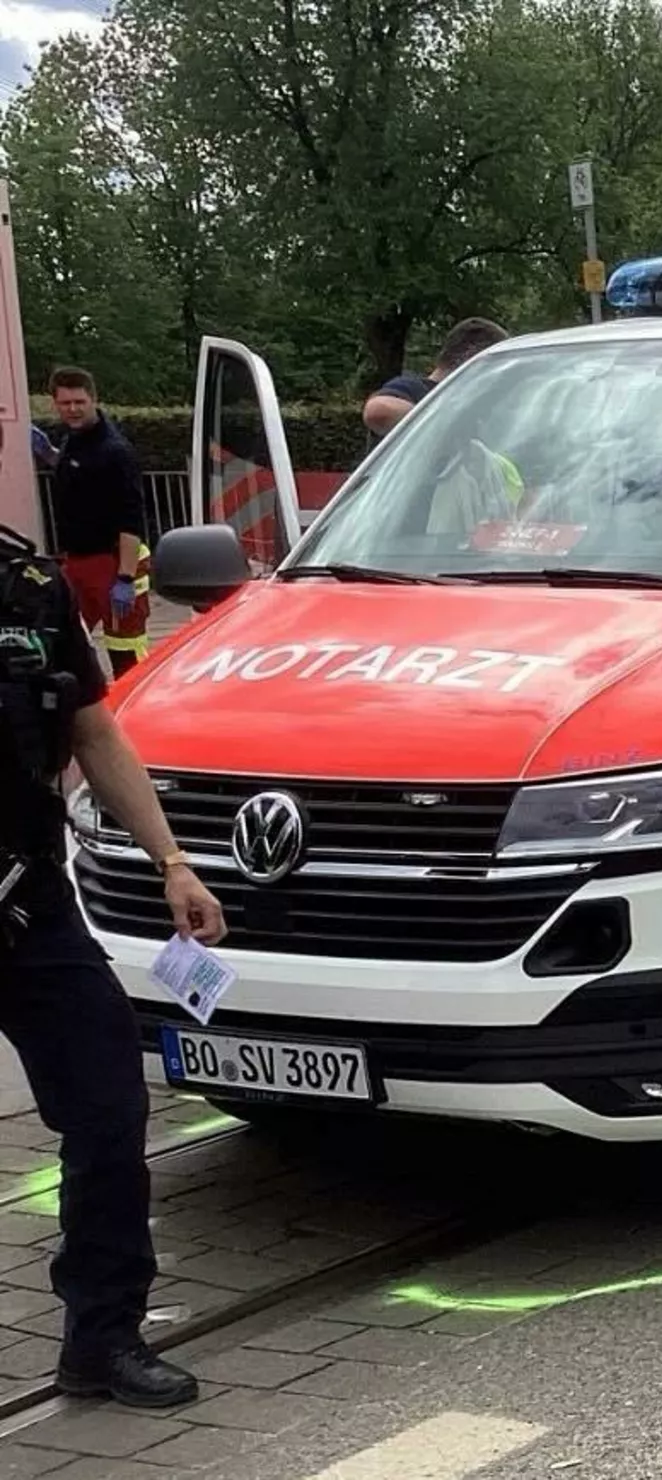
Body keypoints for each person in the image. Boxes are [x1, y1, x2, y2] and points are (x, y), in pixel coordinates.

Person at [0, 521, 225, 1408]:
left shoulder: (28, 586)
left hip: (30, 911)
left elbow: (95, 731)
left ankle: (101, 1340)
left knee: (108, 1109)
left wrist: (172, 861)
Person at [43, 369, 151, 677]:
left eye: (79, 402)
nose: (73, 409)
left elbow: (132, 517)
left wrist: (126, 579)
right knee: (68, 643)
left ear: (94, 400)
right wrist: (51, 456)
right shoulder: (73, 441)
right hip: (77, 562)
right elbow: (83, 476)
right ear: (55, 403)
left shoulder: (115, 451)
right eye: (65, 403)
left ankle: (133, 715)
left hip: (115, 562)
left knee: (126, 652)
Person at [361, 317, 509, 443]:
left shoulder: (463, 404)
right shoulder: (416, 389)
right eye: (494, 370)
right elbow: (378, 411)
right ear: (473, 360)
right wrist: (446, 426)